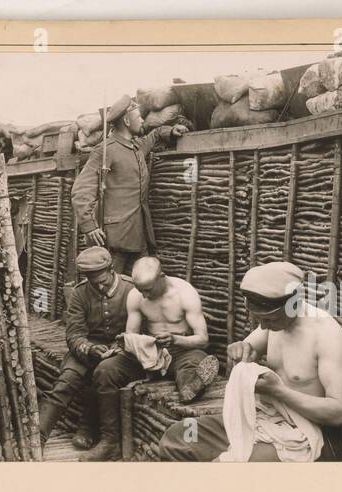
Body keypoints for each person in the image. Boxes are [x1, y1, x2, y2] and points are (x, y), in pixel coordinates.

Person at [157, 261, 342, 462]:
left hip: (313, 436)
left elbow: (338, 413)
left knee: (238, 466)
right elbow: (247, 348)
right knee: (180, 436)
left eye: (270, 320)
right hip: (265, 420)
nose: (264, 326)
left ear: (294, 302)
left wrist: (279, 391)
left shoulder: (326, 334)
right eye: (259, 320)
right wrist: (239, 348)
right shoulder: (274, 323)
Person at [37, 246, 135, 461]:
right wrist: (89, 348)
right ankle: (38, 438)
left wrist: (120, 347)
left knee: (104, 372)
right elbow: (74, 334)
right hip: (89, 348)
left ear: (111, 270)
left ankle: (98, 435)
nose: (99, 286)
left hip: (122, 349)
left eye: (103, 280)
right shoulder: (81, 293)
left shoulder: (131, 290)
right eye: (93, 282)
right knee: (67, 379)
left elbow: (140, 331)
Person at [71, 95, 185, 276]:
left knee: (142, 286)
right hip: (114, 238)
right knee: (111, 289)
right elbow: (81, 189)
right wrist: (89, 225)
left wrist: (170, 131)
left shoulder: (136, 147)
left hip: (138, 235)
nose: (142, 119)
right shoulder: (106, 150)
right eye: (138, 116)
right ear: (126, 120)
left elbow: (154, 135)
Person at [122, 257, 220, 402]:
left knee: (194, 361)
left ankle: (190, 388)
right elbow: (131, 335)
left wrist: (175, 339)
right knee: (109, 369)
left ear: (162, 277)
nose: (145, 296)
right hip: (149, 352)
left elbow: (203, 340)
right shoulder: (135, 296)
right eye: (140, 290)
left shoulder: (185, 293)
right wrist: (129, 341)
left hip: (181, 351)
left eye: (148, 290)